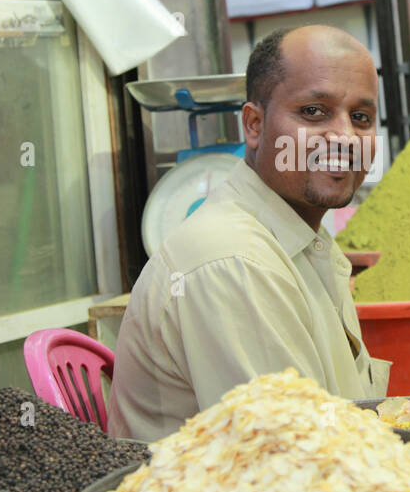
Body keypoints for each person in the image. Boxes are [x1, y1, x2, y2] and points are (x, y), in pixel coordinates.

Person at [108, 24, 391, 441]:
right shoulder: (233, 262)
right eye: (314, 111)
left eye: (361, 118)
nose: (344, 137)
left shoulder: (304, 243)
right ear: (254, 125)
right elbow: (290, 461)